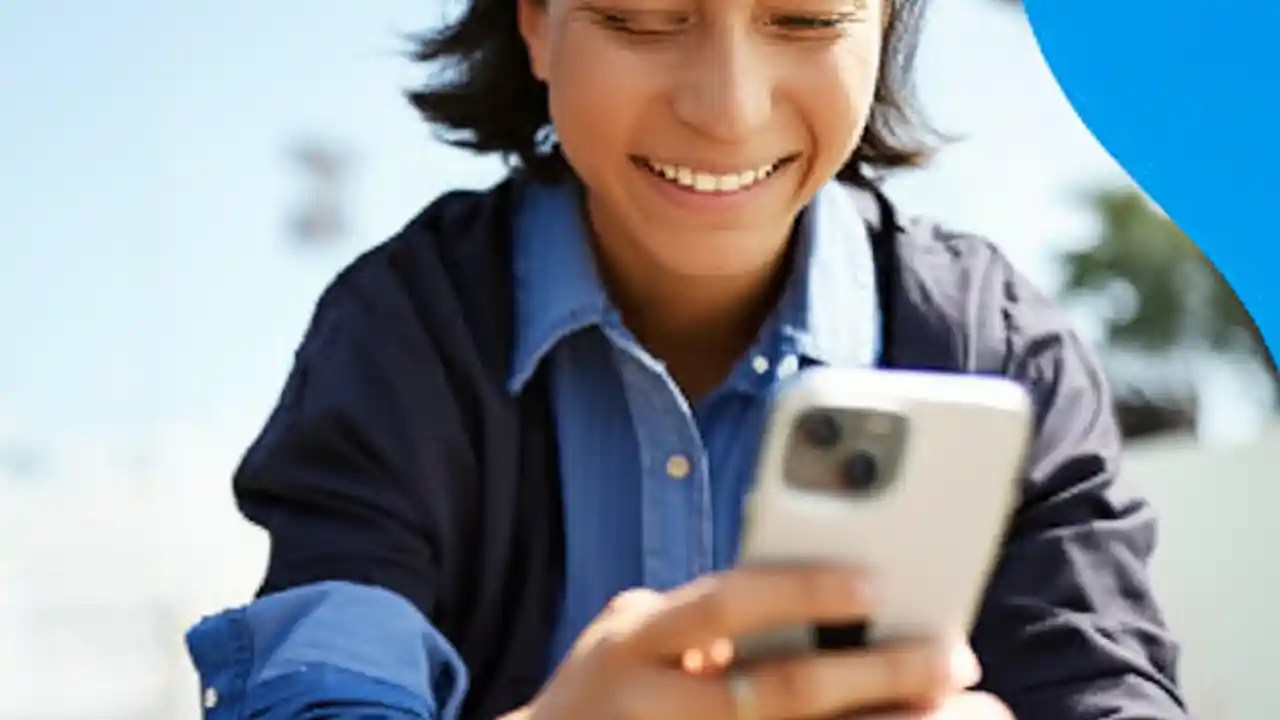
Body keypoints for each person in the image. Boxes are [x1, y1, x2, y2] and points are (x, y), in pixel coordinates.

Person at [185, 0, 1190, 717]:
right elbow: (322, 682)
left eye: (802, 19)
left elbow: (1106, 687)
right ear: (535, 22)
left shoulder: (999, 354)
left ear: (883, 26)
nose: (727, 109)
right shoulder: (403, 336)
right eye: (642, 16)